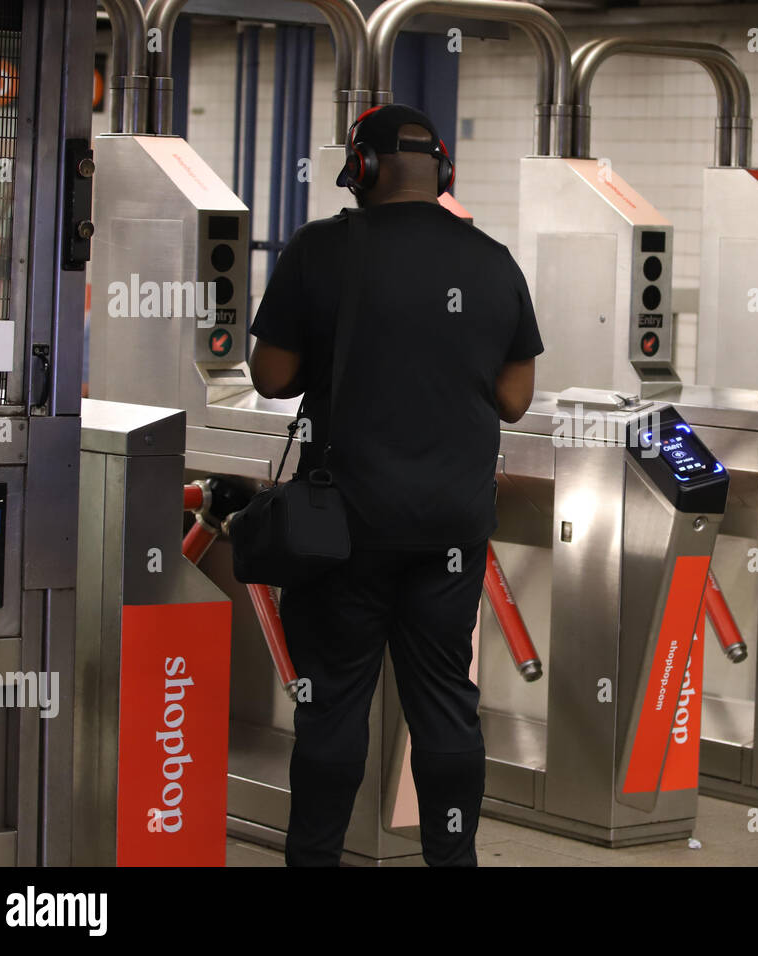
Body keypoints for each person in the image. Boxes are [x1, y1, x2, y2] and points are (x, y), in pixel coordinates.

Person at [247, 104, 543, 866]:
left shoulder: (320, 250)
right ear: (444, 172)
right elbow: (515, 398)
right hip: (451, 527)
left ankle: (315, 858)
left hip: (343, 526)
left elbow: (271, 376)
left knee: (334, 706)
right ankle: (452, 857)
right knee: (446, 703)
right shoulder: (492, 260)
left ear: (363, 170)